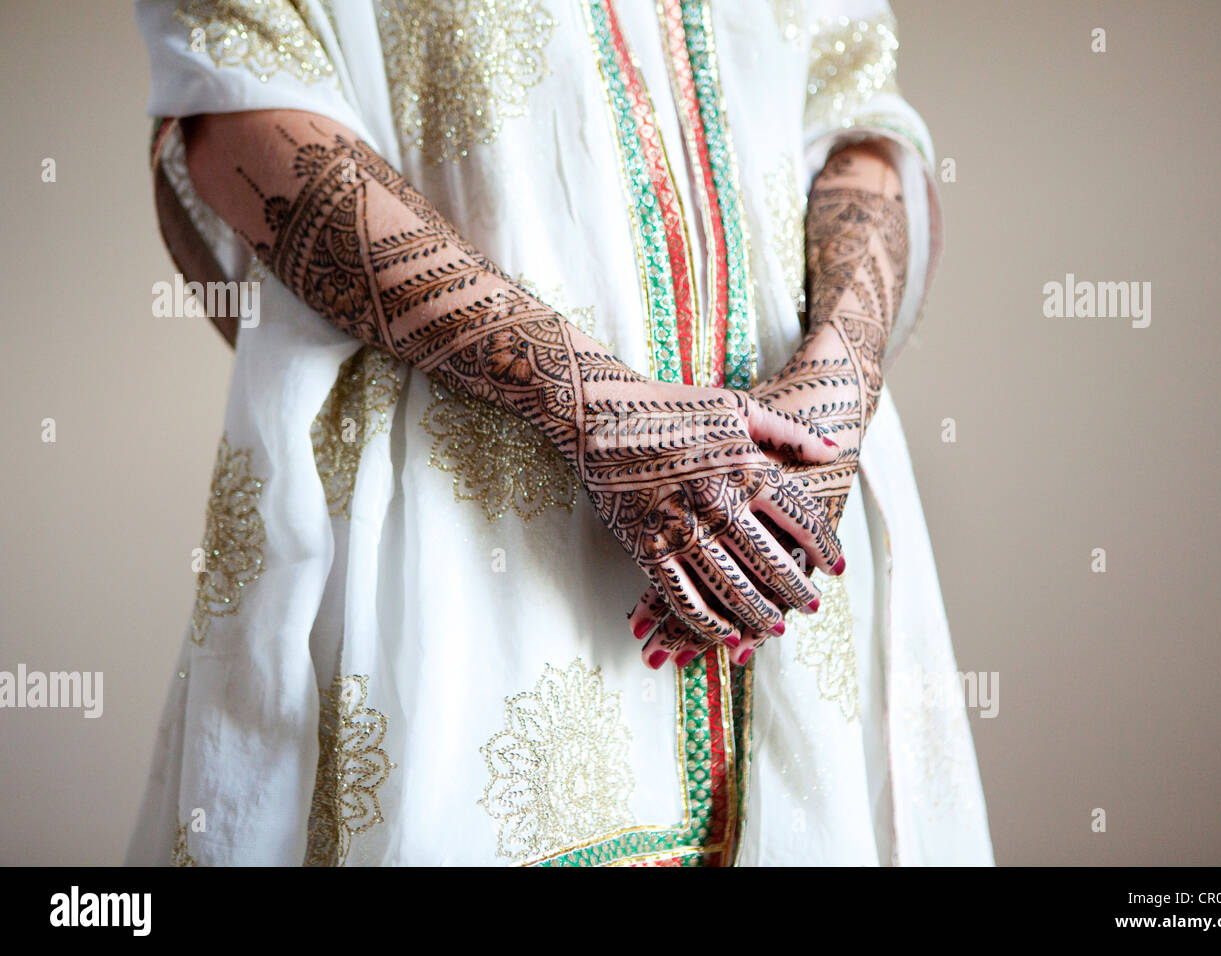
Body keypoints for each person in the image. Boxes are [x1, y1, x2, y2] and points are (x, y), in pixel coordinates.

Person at [131, 0, 994, 866]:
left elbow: (860, 124)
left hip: (795, 533)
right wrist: (588, 402)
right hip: (461, 562)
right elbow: (239, 99)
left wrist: (841, 384)